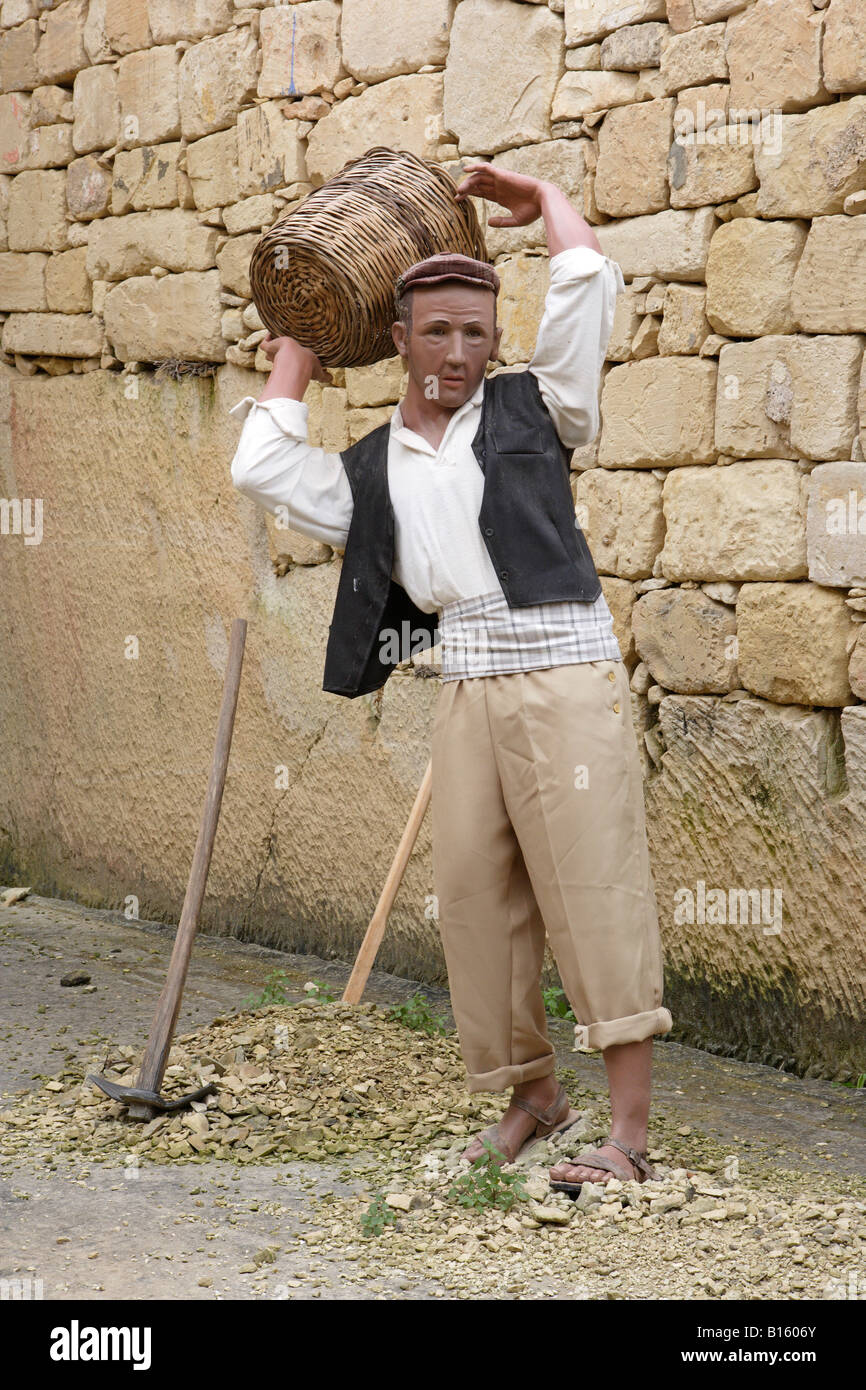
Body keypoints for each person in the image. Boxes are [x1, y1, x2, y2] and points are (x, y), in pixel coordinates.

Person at [229, 163, 673, 1192]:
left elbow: (583, 280)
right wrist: (294, 349)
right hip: (465, 688)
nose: (460, 350)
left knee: (590, 886)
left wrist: (549, 197)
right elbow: (263, 468)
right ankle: (531, 1096)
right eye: (438, 331)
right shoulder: (376, 462)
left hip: (563, 674)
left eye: (477, 330)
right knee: (475, 901)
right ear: (397, 338)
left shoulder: (539, 407)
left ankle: (630, 1136)